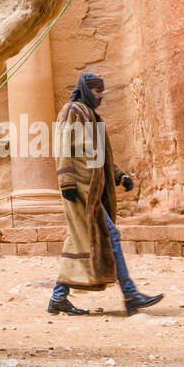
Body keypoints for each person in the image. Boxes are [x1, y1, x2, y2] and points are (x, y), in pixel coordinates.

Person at [47, 73, 162, 317]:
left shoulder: (92, 116)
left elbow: (101, 155)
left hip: (93, 189)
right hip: (80, 189)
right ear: (87, 90)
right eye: (98, 91)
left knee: (81, 238)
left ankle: (59, 297)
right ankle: (131, 295)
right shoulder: (72, 111)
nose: (101, 95)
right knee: (109, 235)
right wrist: (66, 179)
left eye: (102, 91)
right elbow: (62, 144)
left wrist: (119, 175)